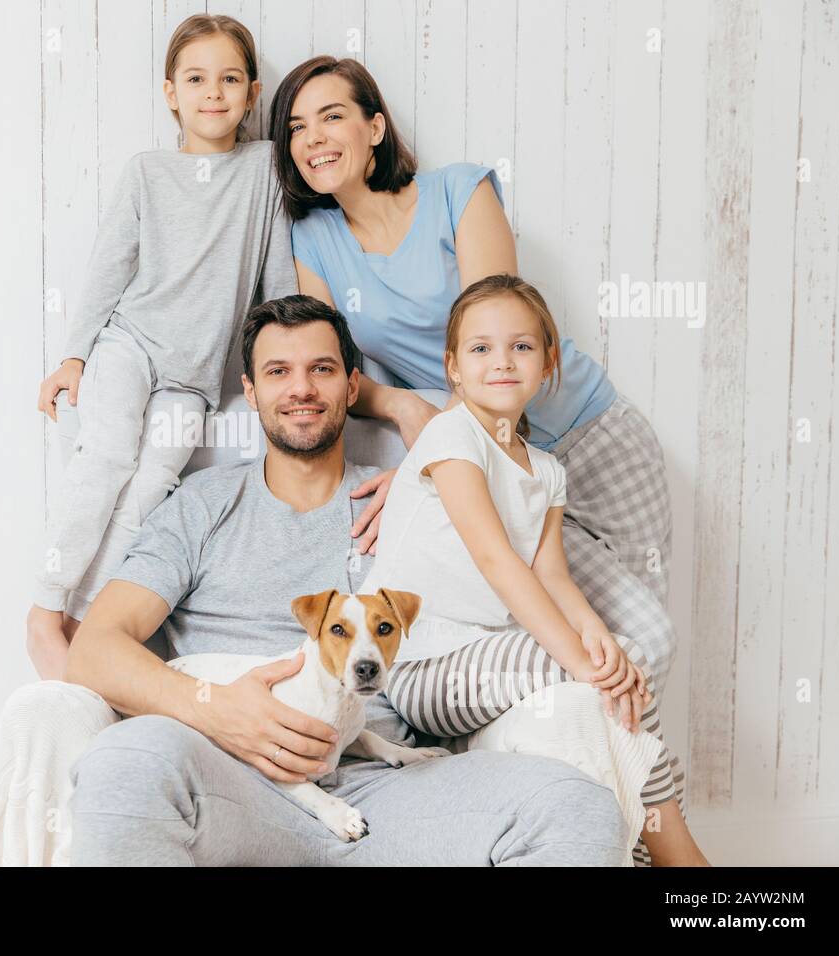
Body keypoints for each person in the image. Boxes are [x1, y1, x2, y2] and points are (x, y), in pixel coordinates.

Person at [56, 295, 632, 865]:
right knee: (126, 761)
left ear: (352, 388)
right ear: (251, 390)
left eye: (322, 369)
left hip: (388, 786)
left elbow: (510, 552)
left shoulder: (412, 496)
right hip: (233, 778)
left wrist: (411, 469)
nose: (301, 389)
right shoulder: (200, 507)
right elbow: (94, 650)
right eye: (278, 372)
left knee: (574, 808)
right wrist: (215, 710)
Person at [269, 55, 679, 689]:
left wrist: (430, 451)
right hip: (499, 470)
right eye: (296, 127)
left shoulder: (460, 191)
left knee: (639, 641)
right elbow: (335, 368)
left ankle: (630, 786)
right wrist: (405, 408)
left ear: (376, 127)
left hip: (590, 438)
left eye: (332, 116)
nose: (313, 138)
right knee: (581, 646)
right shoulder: (314, 237)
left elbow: (492, 330)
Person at [361, 273, 709, 866]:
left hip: (483, 657)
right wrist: (581, 661)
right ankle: (682, 860)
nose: (502, 362)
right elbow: (497, 561)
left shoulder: (546, 469)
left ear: (549, 363)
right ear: (452, 367)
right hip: (422, 664)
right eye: (481, 348)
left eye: (521, 346)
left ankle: (643, 855)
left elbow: (553, 575)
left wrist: (597, 639)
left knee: (622, 666)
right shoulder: (452, 438)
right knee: (607, 676)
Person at [25, 14, 296, 680]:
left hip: (194, 375)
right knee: (107, 457)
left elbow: (278, 275)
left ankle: (85, 623)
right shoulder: (147, 173)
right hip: (131, 344)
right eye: (196, 79)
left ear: (253, 91)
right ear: (171, 92)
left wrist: (279, 365)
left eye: (230, 78)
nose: (214, 92)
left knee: (151, 487)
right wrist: (75, 356)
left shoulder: (264, 171)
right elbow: (109, 267)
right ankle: (43, 608)